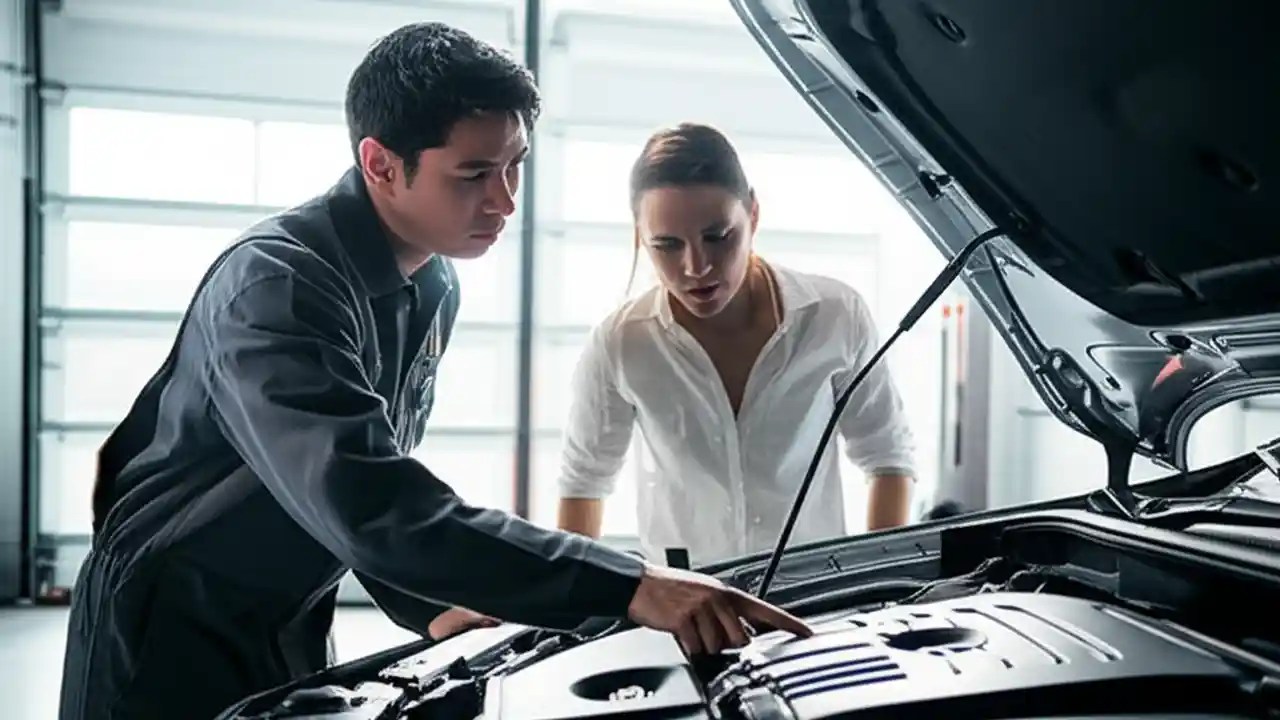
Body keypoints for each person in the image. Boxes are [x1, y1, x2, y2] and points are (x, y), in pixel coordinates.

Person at [58, 25, 810, 720]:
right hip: (166, 632)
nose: (504, 200)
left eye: (515, 166)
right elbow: (367, 501)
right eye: (474, 173)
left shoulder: (432, 283)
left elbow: (363, 469)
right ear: (382, 166)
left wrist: (432, 606)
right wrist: (630, 584)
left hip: (290, 614)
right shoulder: (275, 289)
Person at [556, 123, 917, 568]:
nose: (696, 266)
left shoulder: (835, 315)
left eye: (718, 237)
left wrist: (880, 581)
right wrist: (572, 601)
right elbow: (583, 483)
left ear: (754, 214)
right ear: (639, 237)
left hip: (814, 590)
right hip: (685, 598)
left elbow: (888, 457)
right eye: (667, 245)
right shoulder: (619, 342)